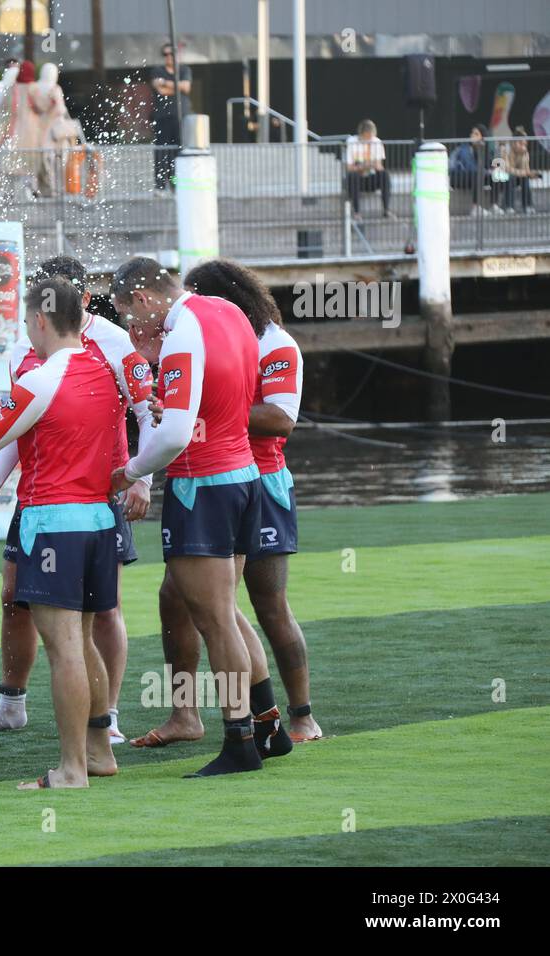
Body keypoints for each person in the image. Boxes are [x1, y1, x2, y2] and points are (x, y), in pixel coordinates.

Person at [0, 256, 155, 744]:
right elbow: (18, 433)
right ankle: (20, 707)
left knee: (79, 634)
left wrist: (141, 479)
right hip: (64, 505)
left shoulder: (111, 346)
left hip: (83, 500)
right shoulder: (38, 360)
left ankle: (98, 728)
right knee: (20, 602)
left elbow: (146, 411)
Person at [111, 256, 289, 778]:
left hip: (201, 486)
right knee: (228, 613)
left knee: (214, 620)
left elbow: (172, 435)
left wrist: (128, 471)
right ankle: (268, 725)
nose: (133, 330)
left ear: (143, 299)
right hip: (243, 477)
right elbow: (226, 396)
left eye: (128, 316)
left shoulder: (184, 330)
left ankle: (239, 741)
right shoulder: (229, 312)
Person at [179, 259, 322, 745]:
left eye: (196, 297)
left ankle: (300, 717)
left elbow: (282, 418)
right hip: (219, 481)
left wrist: (211, 408)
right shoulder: (216, 338)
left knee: (267, 604)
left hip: (262, 483)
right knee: (183, 599)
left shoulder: (275, 344)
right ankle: (188, 713)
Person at [0, 60, 45, 200]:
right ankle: (32, 190)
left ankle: (9, 192)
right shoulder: (33, 88)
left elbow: (3, 109)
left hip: (13, 131)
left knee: (12, 162)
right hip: (31, 131)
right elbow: (41, 106)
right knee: (31, 162)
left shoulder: (11, 89)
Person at [150, 42, 191, 195]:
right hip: (163, 117)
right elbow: (160, 90)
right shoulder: (157, 70)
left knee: (178, 153)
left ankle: (175, 184)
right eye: (165, 54)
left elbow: (186, 87)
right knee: (162, 152)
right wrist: (177, 87)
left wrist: (167, 83)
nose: (168, 57)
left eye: (171, 54)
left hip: (180, 118)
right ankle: (160, 186)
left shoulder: (184, 70)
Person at [29, 63, 70, 197]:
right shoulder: (55, 88)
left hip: (38, 128)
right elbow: (61, 110)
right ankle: (57, 189)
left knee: (41, 160)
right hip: (55, 130)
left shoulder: (34, 88)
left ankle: (39, 188)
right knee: (58, 161)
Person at [345, 119, 393, 220]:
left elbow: (379, 166)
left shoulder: (377, 142)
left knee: (385, 175)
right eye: (365, 137)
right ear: (361, 134)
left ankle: (386, 210)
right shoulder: (351, 142)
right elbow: (349, 167)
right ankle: (357, 212)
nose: (368, 141)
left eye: (370, 138)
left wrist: (371, 165)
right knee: (352, 176)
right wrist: (363, 166)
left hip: (371, 178)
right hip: (357, 179)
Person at [449, 125, 491, 214]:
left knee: (498, 176)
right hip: (458, 176)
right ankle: (475, 207)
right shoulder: (465, 149)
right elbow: (470, 167)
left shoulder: (484, 150)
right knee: (478, 174)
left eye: (476, 134)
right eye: (472, 133)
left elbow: (488, 166)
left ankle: (494, 205)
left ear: (482, 137)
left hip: (473, 177)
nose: (472, 135)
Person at [498, 127, 538, 213]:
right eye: (520, 143)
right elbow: (506, 169)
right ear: (514, 142)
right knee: (510, 177)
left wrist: (530, 174)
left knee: (525, 179)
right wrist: (523, 173)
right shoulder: (505, 150)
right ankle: (509, 207)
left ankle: (527, 206)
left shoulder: (525, 153)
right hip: (501, 177)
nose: (523, 146)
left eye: (525, 144)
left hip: (516, 176)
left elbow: (526, 170)